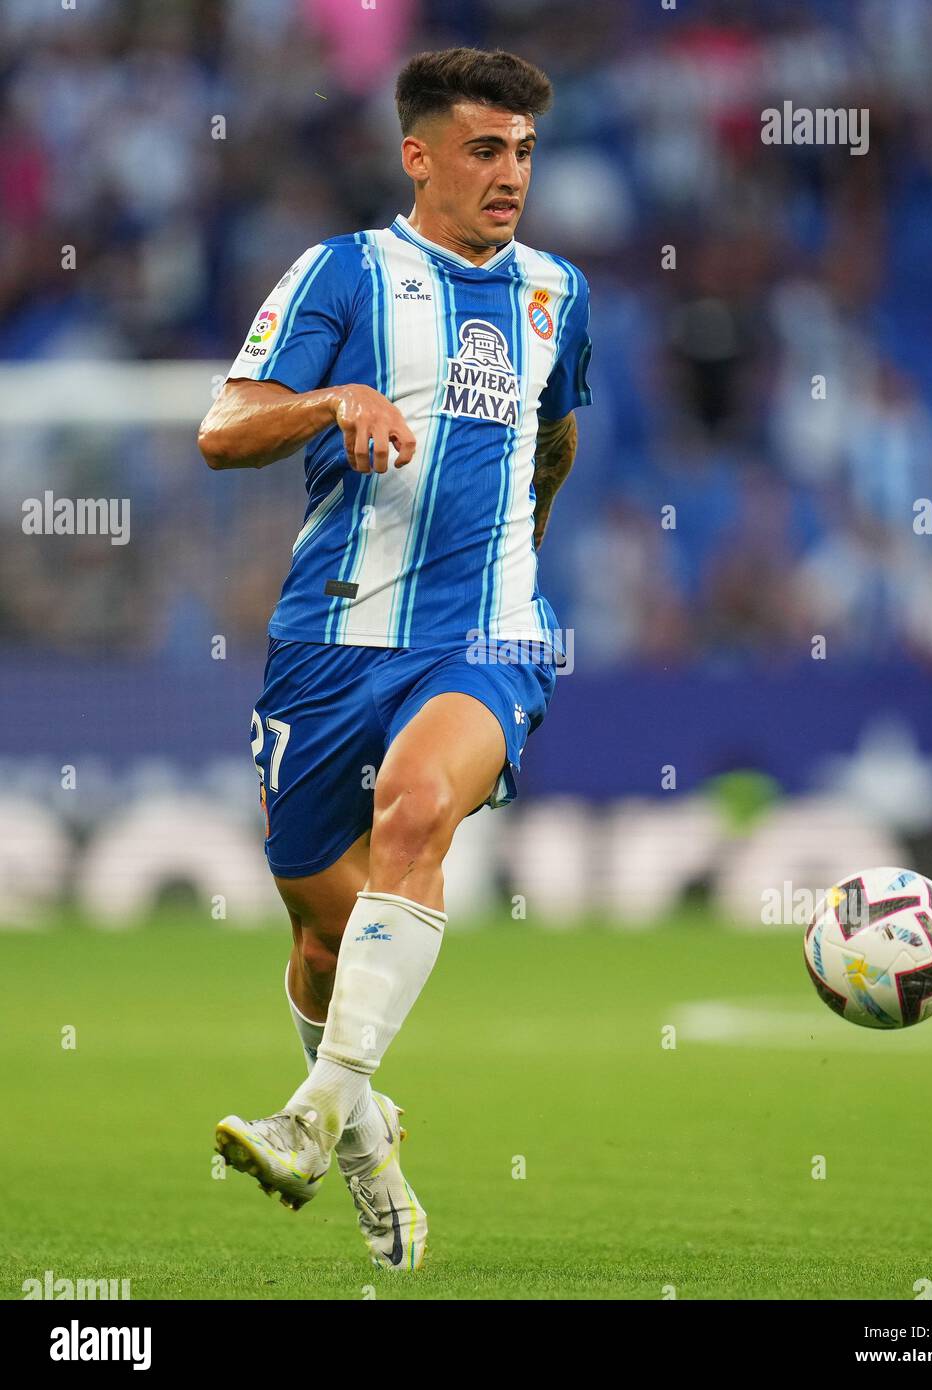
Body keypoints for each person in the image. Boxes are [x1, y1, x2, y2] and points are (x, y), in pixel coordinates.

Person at [197, 46, 592, 1271]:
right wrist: (332, 403)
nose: (509, 174)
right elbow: (222, 429)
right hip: (326, 644)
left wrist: (509, 566)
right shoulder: (346, 271)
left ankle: (310, 1121)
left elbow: (554, 436)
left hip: (484, 642)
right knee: (320, 936)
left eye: (524, 151)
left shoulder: (556, 294)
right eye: (484, 149)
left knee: (414, 812)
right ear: (416, 154)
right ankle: (369, 1143)